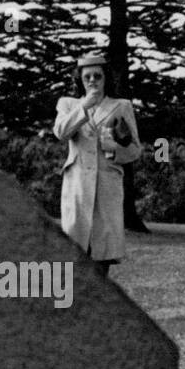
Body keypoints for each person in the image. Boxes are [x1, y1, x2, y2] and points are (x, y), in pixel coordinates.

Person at [52, 52, 141, 274]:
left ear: (105, 78)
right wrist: (83, 107)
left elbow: (135, 150)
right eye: (87, 77)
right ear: (80, 80)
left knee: (102, 252)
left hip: (107, 185)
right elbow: (61, 133)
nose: (92, 81)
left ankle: (99, 301)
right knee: (73, 249)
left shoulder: (121, 106)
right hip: (78, 186)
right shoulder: (67, 104)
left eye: (97, 76)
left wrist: (114, 148)